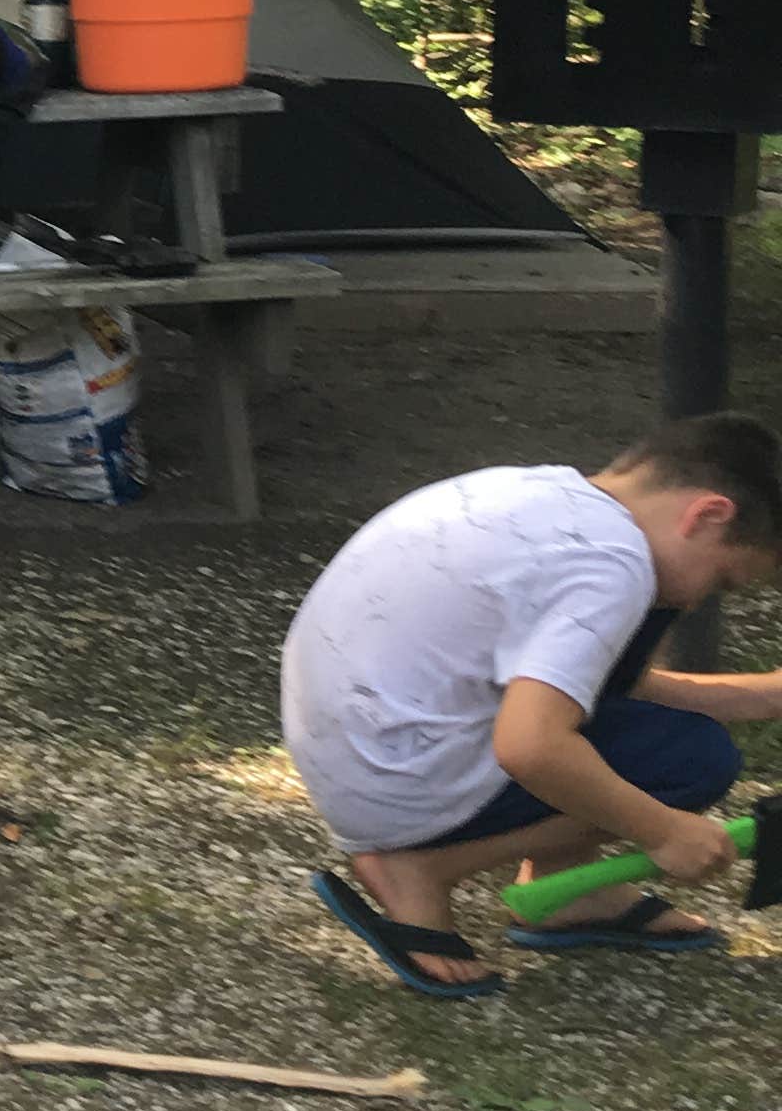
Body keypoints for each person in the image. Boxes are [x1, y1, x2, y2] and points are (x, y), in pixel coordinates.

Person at [284, 413, 782, 1001]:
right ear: (708, 514)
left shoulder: (549, 498)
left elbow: (606, 684)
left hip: (358, 746)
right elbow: (531, 745)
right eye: (724, 581)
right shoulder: (611, 568)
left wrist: (768, 695)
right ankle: (420, 870)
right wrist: (664, 829)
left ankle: (569, 891)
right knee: (691, 758)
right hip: (401, 778)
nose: (705, 600)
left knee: (654, 644)